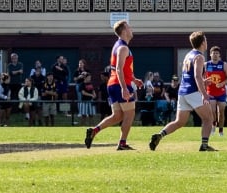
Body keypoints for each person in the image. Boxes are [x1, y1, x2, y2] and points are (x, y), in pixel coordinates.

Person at [150, 31, 217, 152]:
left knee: (179, 122)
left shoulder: (189, 55)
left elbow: (189, 75)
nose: (207, 42)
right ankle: (204, 146)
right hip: (193, 91)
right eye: (206, 40)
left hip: (183, 92)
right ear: (203, 42)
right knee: (208, 119)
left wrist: (202, 82)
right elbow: (197, 76)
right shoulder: (199, 57)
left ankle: (160, 135)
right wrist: (204, 94)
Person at [85, 19, 139, 150]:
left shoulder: (118, 45)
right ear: (124, 31)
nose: (131, 29)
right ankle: (122, 143)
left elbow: (121, 69)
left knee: (117, 116)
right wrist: (124, 88)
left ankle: (94, 130)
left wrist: (134, 79)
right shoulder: (123, 48)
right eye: (129, 27)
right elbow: (119, 69)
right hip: (120, 84)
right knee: (130, 114)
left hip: (113, 84)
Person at [203, 46, 227, 134]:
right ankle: (213, 125)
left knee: (221, 112)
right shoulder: (206, 65)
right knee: (212, 111)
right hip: (210, 92)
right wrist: (204, 81)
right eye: (213, 53)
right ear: (210, 54)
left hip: (221, 92)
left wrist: (222, 83)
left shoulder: (224, 65)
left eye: (217, 53)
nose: (215, 55)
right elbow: (200, 77)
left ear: (219, 55)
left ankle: (221, 130)